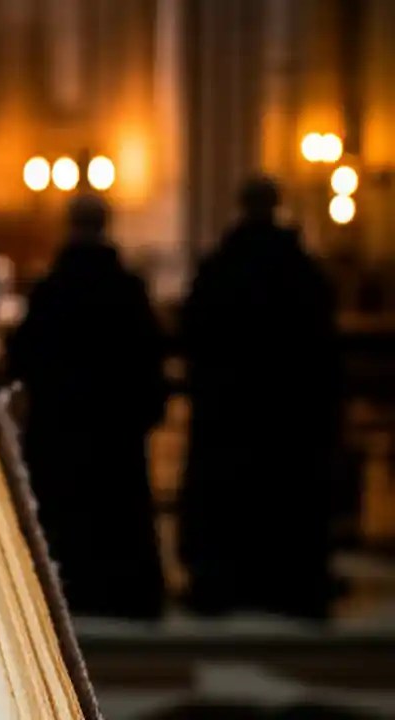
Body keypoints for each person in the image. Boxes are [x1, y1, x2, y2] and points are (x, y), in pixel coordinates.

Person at [179, 176, 343, 619]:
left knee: (229, 501)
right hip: (289, 415)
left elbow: (195, 337)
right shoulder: (302, 272)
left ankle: (223, 582)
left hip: (229, 414)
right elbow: (323, 348)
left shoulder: (220, 269)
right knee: (285, 500)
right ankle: (288, 584)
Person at [7, 193, 169, 618]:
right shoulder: (126, 289)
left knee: (63, 517)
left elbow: (24, 357)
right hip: (114, 429)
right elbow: (148, 356)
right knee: (115, 515)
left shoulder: (52, 289)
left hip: (61, 427)